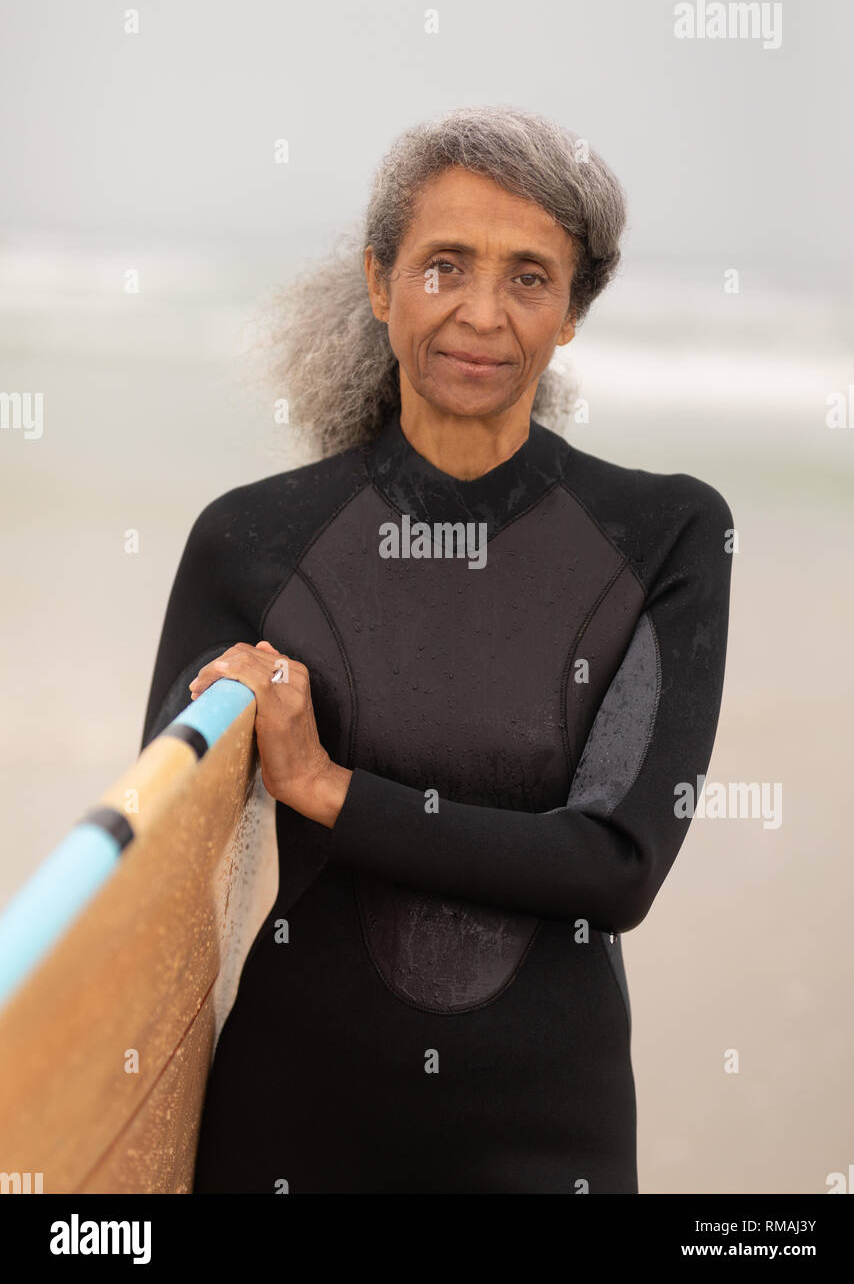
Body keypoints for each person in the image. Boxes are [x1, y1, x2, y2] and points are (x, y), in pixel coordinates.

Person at [141, 105, 733, 1194]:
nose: (478, 313)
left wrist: (322, 786)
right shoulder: (251, 540)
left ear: (570, 313)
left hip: (546, 1134)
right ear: (379, 283)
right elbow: (169, 868)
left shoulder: (663, 536)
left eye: (527, 277)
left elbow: (616, 865)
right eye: (443, 265)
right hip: (289, 1124)